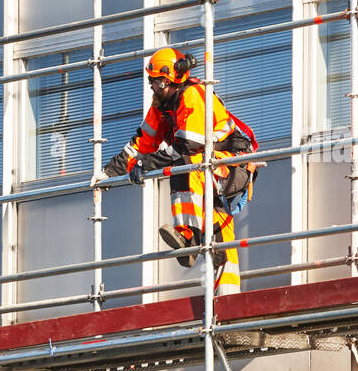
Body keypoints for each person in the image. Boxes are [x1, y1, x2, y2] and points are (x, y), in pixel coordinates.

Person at [91, 47, 259, 294]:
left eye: (154, 82)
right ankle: (227, 297)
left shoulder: (193, 95)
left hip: (232, 163)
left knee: (183, 166)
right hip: (210, 165)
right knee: (219, 228)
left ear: (167, 80)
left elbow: (186, 146)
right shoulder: (162, 107)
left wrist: (145, 164)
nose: (151, 87)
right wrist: (108, 173)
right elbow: (141, 143)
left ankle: (188, 237)